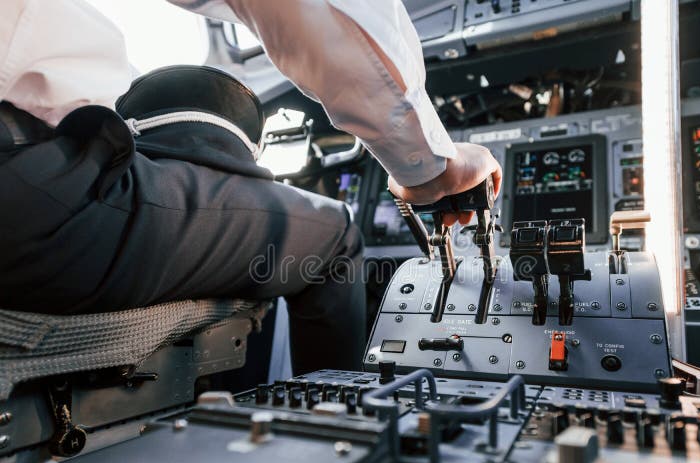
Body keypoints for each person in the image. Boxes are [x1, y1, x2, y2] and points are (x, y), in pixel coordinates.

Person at [0, 0, 502, 373]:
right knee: (335, 236)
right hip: (34, 194)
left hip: (31, 178)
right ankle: (327, 438)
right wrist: (432, 165)